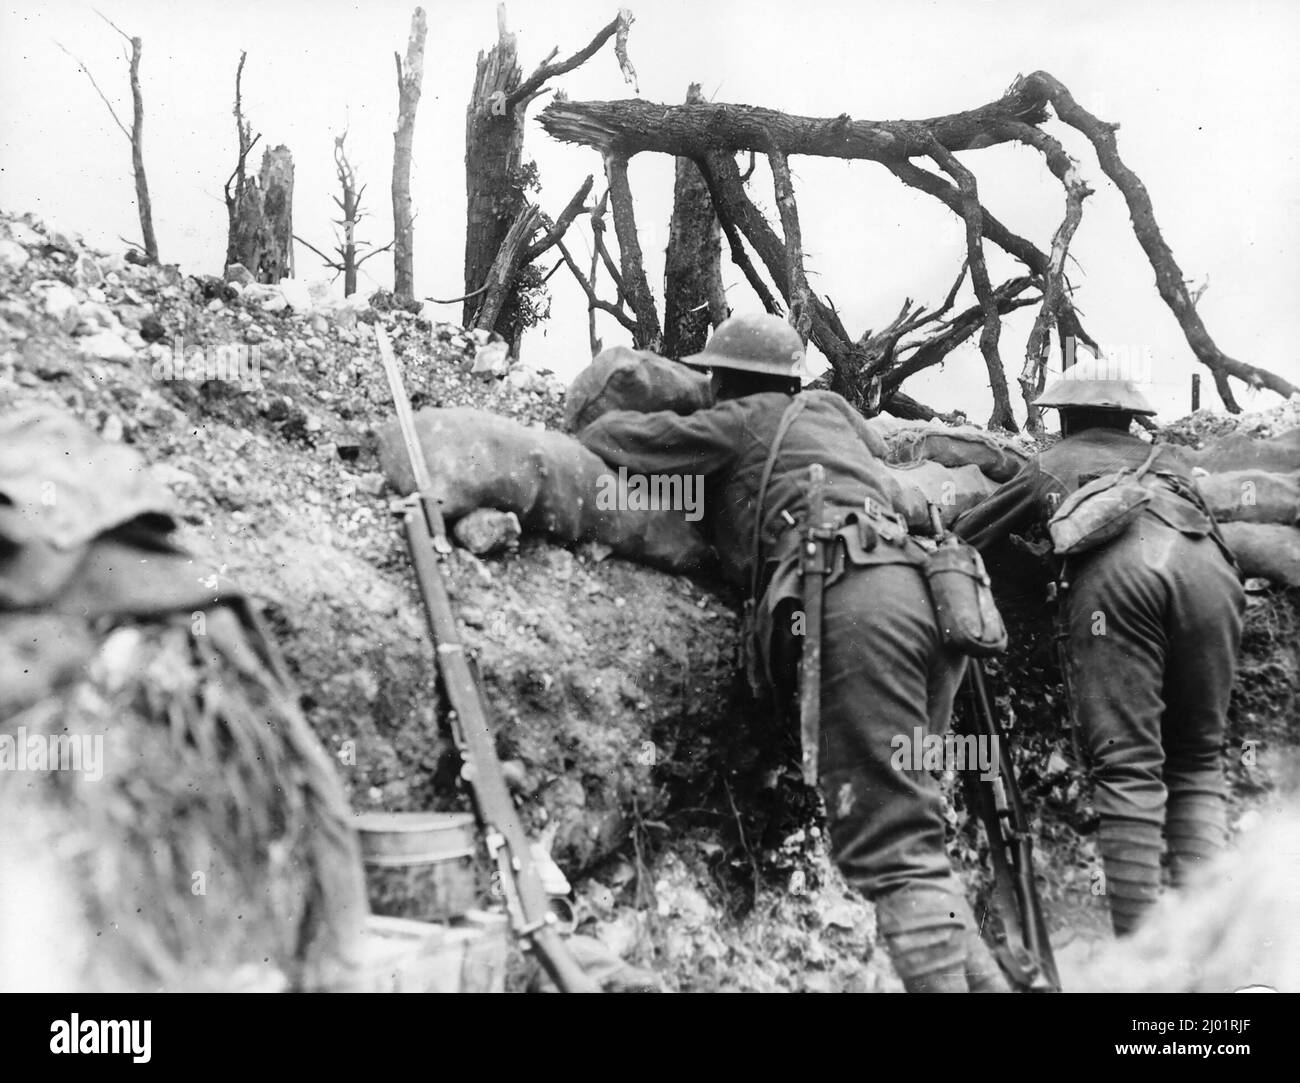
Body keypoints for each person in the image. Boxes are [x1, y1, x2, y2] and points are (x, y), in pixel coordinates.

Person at [578, 313, 1007, 992]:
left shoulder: (737, 420)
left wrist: (685, 401)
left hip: (854, 602)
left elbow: (612, 438)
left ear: (721, 377)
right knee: (915, 836)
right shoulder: (833, 414)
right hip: (929, 597)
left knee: (893, 852)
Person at [953, 359, 1245, 937]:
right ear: (1134, 421)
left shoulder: (1054, 463)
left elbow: (969, 538)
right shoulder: (1176, 464)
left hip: (1122, 583)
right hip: (1212, 574)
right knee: (1198, 761)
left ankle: (1143, 959)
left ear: (1064, 417)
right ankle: (1207, 949)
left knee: (1130, 768)